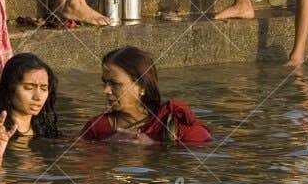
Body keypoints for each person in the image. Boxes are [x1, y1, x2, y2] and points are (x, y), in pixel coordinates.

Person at [82, 47, 212, 144]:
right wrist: (110, 142)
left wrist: (152, 145)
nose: (106, 90)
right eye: (105, 83)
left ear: (142, 86)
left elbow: (204, 149)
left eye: (115, 84)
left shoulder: (172, 123)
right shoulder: (97, 127)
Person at [0, 52, 59, 141]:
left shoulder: (46, 130)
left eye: (44, 89)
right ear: (10, 88)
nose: (38, 97)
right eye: (29, 88)